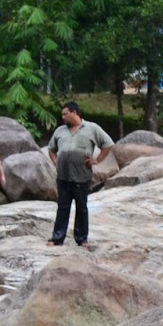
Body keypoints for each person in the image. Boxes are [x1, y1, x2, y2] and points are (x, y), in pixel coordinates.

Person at [45, 101, 114, 248]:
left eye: (65, 114)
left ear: (74, 112)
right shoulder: (60, 131)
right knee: (63, 207)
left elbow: (108, 144)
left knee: (81, 208)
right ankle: (57, 238)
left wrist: (97, 160)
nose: (63, 117)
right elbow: (51, 149)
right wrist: (55, 162)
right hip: (63, 177)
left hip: (82, 177)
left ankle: (82, 239)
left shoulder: (91, 128)